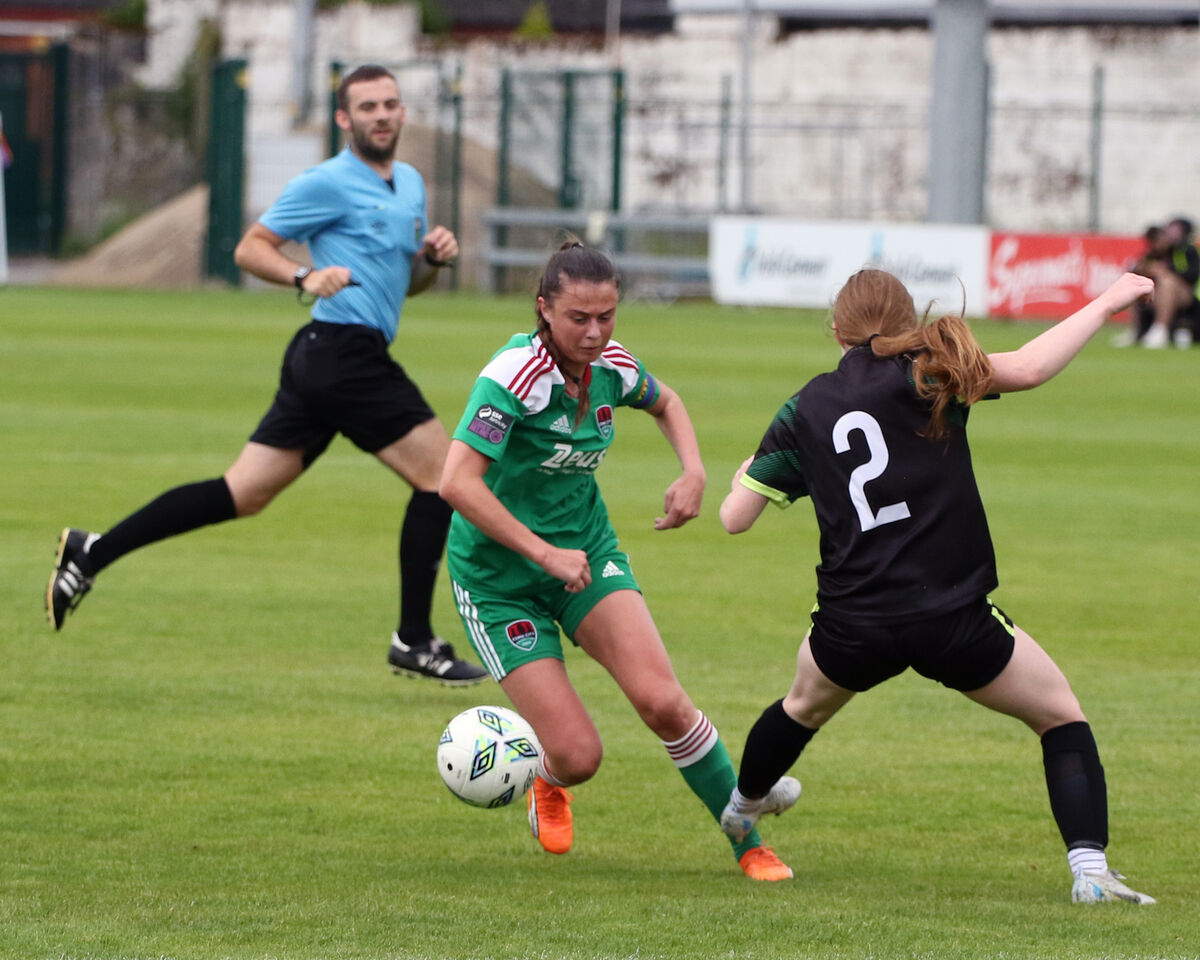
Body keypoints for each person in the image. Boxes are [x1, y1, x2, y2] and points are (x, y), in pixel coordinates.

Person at [716, 268, 1157, 904]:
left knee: (800, 707)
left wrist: (744, 477)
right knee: (1060, 716)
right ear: (903, 325)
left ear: (835, 330)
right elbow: (1031, 366)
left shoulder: (805, 407)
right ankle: (1090, 873)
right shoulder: (929, 370)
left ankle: (743, 806)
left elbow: (734, 520)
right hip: (950, 618)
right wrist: (1110, 300)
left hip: (853, 625)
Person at [45, 64, 487, 686]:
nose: (381, 115)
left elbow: (405, 282)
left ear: (402, 112)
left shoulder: (410, 183)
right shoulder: (328, 182)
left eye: (390, 104)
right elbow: (251, 247)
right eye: (367, 107)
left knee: (241, 494)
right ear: (344, 118)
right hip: (341, 352)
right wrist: (305, 277)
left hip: (330, 357)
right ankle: (414, 640)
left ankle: (93, 551)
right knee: (444, 478)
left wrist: (431, 261)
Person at [437, 240, 798, 881]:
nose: (595, 331)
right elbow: (456, 485)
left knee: (662, 700)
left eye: (607, 316)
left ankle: (747, 840)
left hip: (585, 556)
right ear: (544, 309)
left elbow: (667, 401)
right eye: (579, 317)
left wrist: (692, 471)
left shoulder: (610, 365)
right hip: (499, 582)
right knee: (578, 755)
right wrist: (543, 553)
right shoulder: (512, 378)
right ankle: (548, 783)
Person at [1136, 216, 1198, 349]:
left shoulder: (1187, 251)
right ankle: (1135, 331)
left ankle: (1160, 329)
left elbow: (1192, 276)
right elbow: (1136, 269)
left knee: (1167, 282)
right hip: (1156, 295)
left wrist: (1163, 271)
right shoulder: (1153, 253)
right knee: (1134, 283)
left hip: (1185, 295)